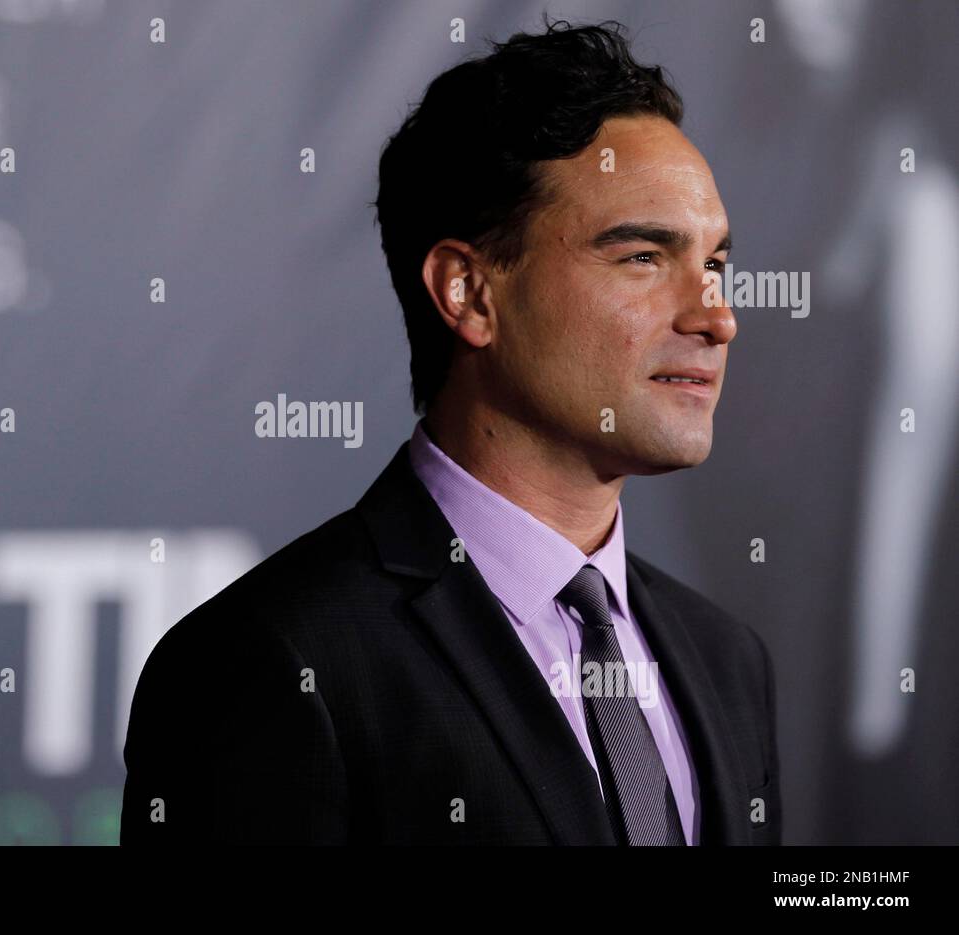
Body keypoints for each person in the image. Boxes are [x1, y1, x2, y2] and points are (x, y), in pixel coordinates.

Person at [120, 20, 780, 845]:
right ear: (469, 292)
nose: (715, 317)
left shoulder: (727, 661)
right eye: (644, 257)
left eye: (716, 265)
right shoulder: (271, 662)